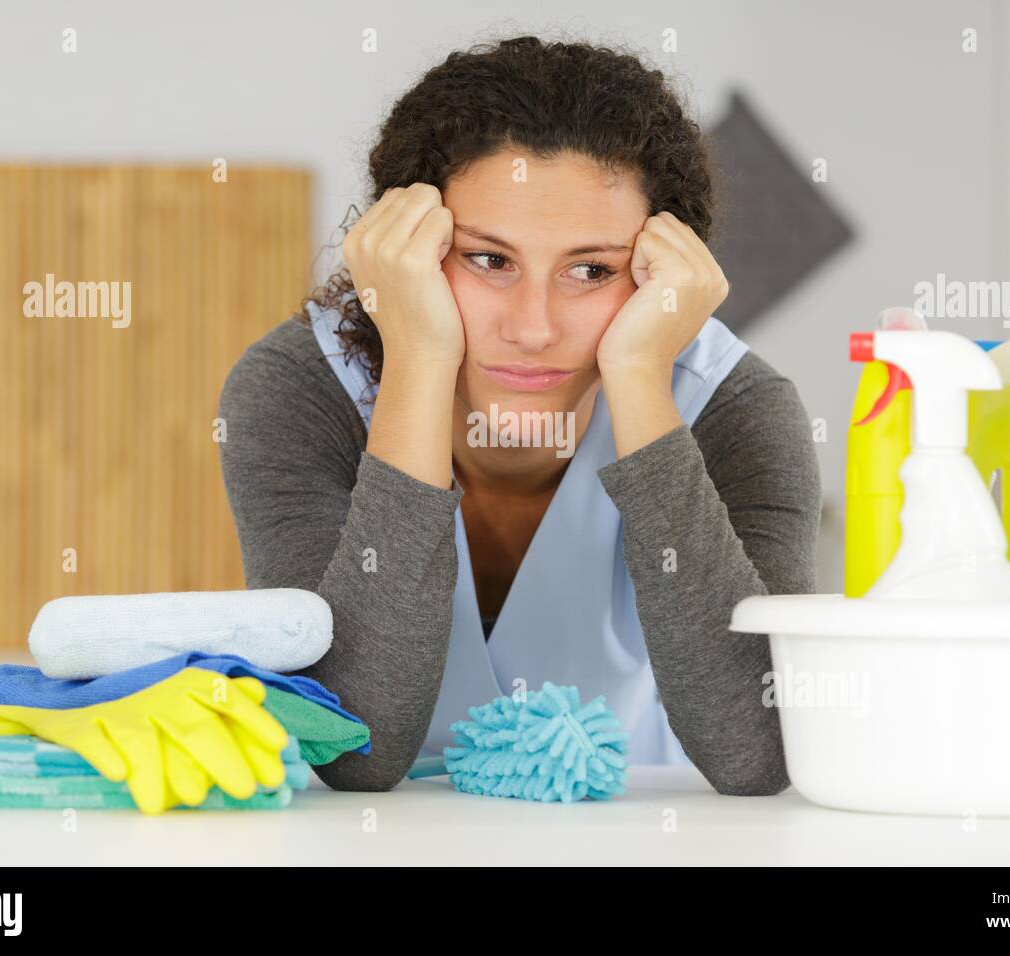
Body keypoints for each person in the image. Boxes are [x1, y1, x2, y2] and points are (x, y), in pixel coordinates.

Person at [218, 35, 820, 794]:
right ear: (406, 250)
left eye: (591, 270)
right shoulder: (299, 392)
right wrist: (418, 359)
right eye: (487, 260)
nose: (533, 327)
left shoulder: (734, 409)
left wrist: (637, 374)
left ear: (656, 274)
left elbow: (759, 754)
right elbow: (351, 748)